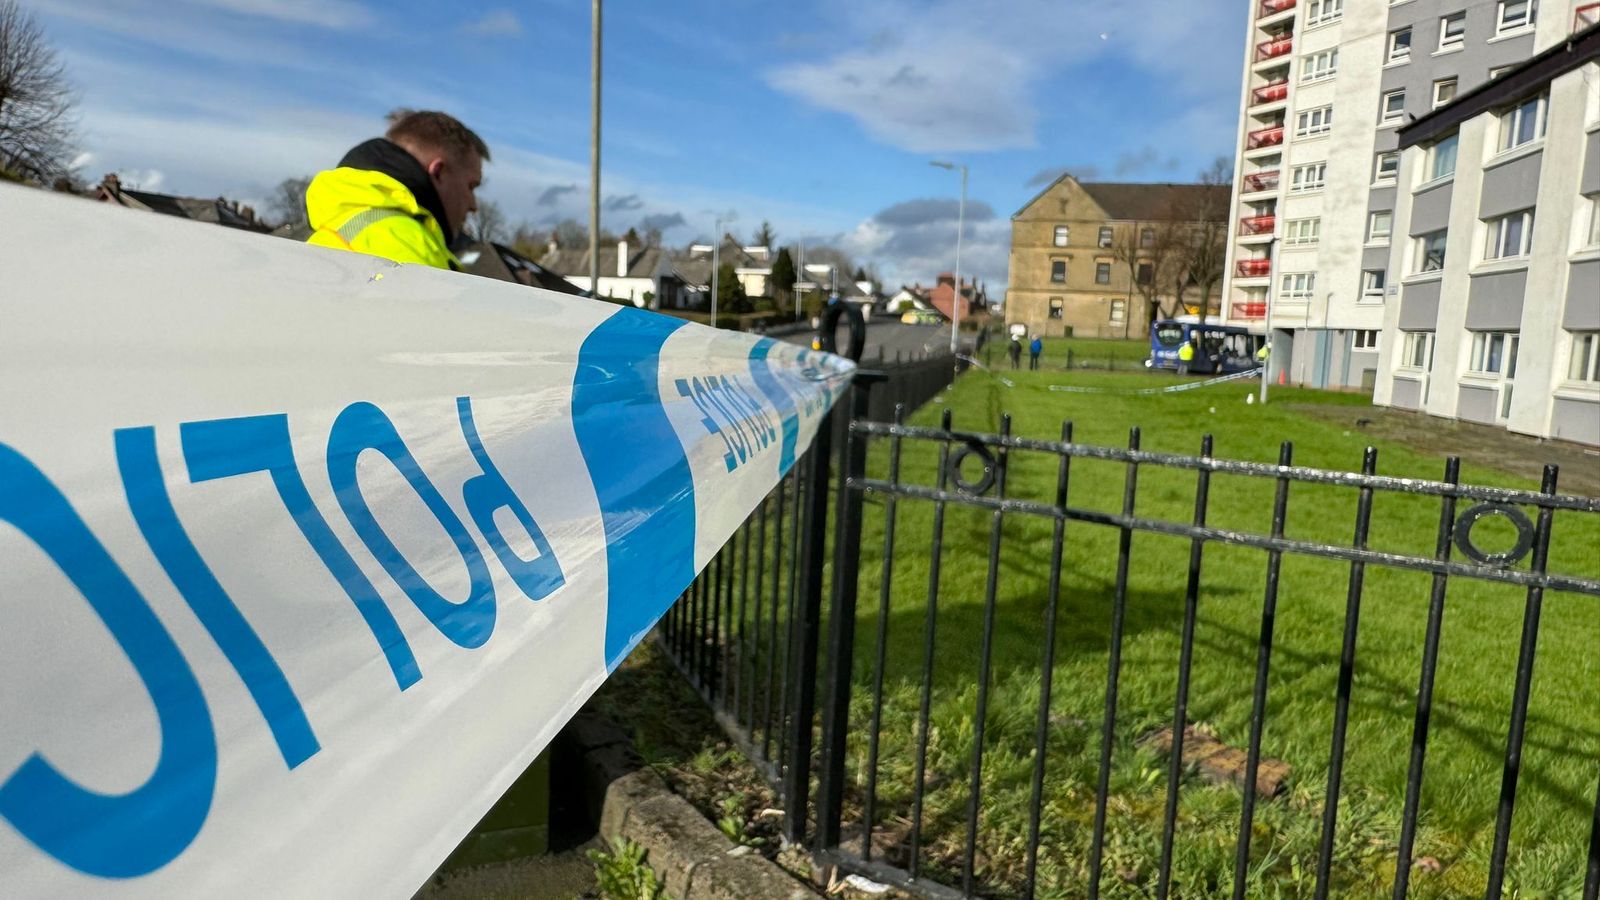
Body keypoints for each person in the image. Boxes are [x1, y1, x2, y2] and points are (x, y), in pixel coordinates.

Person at [306, 109, 488, 270]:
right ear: (438, 172)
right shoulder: (405, 242)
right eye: (471, 186)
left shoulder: (348, 218)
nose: (473, 205)